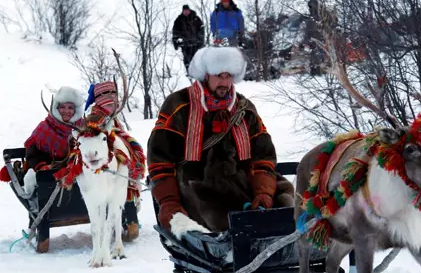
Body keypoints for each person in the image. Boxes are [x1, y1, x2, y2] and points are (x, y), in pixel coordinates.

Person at [147, 45, 294, 233]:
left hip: (241, 179)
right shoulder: (179, 105)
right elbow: (160, 160)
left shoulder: (244, 109)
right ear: (206, 75)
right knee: (217, 217)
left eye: (228, 76)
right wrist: (168, 201)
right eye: (219, 76)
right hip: (195, 182)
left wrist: (263, 192)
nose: (224, 82)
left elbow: (263, 157)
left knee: (286, 198)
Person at [84, 81, 143, 242]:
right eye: (109, 103)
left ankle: (127, 219)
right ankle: (128, 221)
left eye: (114, 102)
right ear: (102, 103)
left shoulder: (113, 118)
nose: (113, 106)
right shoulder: (96, 118)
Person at [172, 4, 205, 73]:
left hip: (196, 43)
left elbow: (201, 29)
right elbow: (175, 32)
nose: (186, 12)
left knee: (197, 58)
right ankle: (189, 73)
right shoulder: (178, 20)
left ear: (189, 10)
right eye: (185, 11)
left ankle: (198, 73)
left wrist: (200, 39)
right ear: (183, 11)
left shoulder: (196, 18)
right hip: (185, 44)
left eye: (187, 10)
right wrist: (177, 41)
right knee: (187, 60)